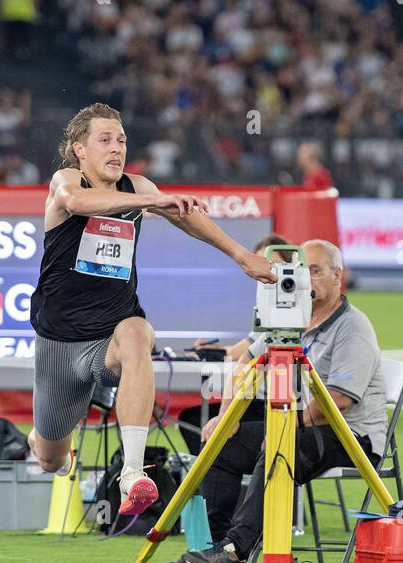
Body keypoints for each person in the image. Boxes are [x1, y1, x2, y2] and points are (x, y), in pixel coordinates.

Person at [27, 102, 275, 517]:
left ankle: (131, 472)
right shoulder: (67, 180)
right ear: (80, 149)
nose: (116, 148)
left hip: (109, 338)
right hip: (60, 343)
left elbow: (182, 215)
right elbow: (76, 202)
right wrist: (149, 200)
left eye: (121, 140)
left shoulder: (136, 186)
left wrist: (240, 255)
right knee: (52, 460)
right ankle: (43, 439)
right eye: (104, 140)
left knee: (138, 332)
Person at [168, 240, 388, 563]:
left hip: (352, 438)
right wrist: (226, 417)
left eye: (316, 271)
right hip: (302, 426)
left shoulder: (353, 328)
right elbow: (246, 360)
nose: (309, 279)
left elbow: (340, 399)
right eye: (304, 271)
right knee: (220, 443)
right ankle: (213, 546)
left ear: (337, 276)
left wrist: (286, 426)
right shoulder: (293, 317)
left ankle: (236, 553)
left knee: (278, 446)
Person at [175, 233, 299, 456]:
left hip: (277, 404)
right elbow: (240, 353)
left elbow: (240, 355)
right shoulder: (270, 313)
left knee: (205, 426)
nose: (265, 273)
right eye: (261, 265)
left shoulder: (289, 314)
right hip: (260, 400)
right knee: (197, 421)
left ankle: (216, 474)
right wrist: (209, 350)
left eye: (272, 264)